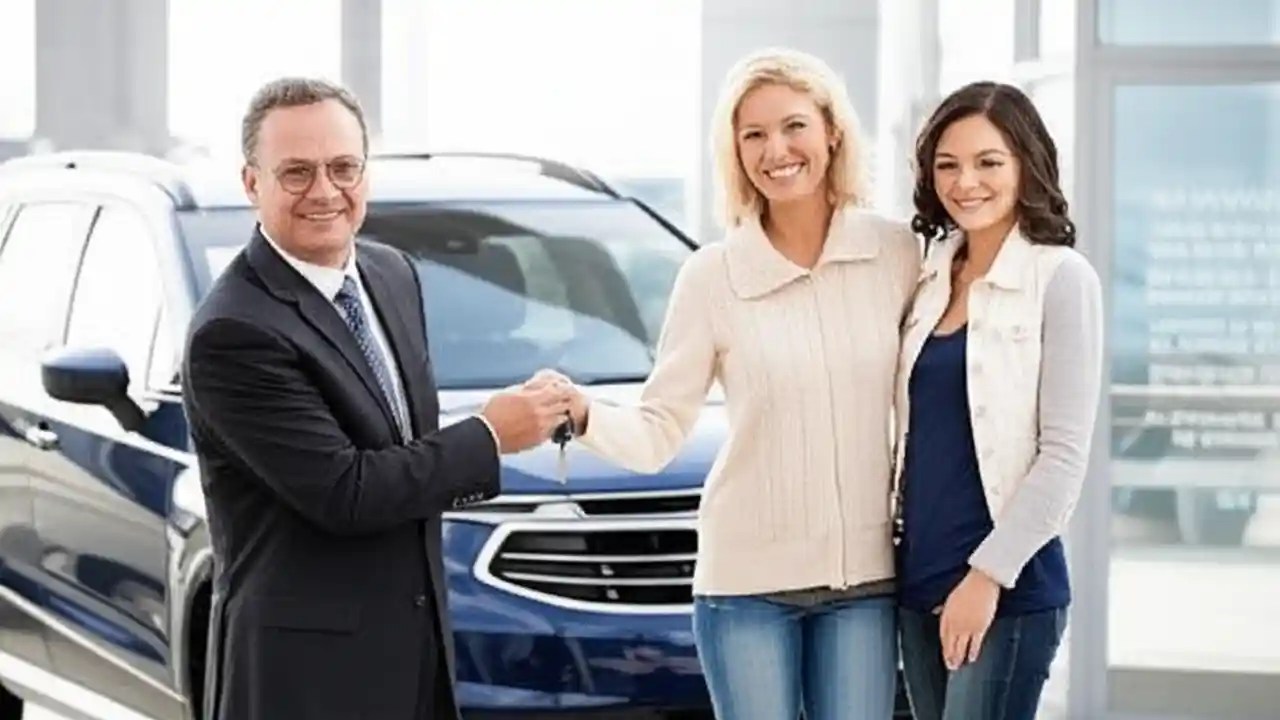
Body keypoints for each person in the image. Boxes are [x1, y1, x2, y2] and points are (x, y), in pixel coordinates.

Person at [529, 48, 920, 719]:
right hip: (747, 588)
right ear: (735, 153)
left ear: (832, 131)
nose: (777, 150)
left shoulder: (898, 253)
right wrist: (585, 412)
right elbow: (659, 431)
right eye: (754, 135)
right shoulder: (713, 276)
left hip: (867, 581)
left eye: (794, 126)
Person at [181, 77, 572, 720]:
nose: (325, 191)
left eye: (343, 167)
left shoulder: (390, 273)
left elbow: (404, 443)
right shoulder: (234, 331)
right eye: (297, 172)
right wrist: (491, 434)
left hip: (415, 655)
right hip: (305, 680)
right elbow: (346, 492)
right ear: (252, 183)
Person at [892, 81, 1103, 720]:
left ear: (1025, 164)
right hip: (918, 579)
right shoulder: (928, 275)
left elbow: (1063, 457)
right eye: (947, 165)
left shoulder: (1060, 278)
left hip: (1006, 589)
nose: (966, 183)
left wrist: (986, 578)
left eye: (988, 162)